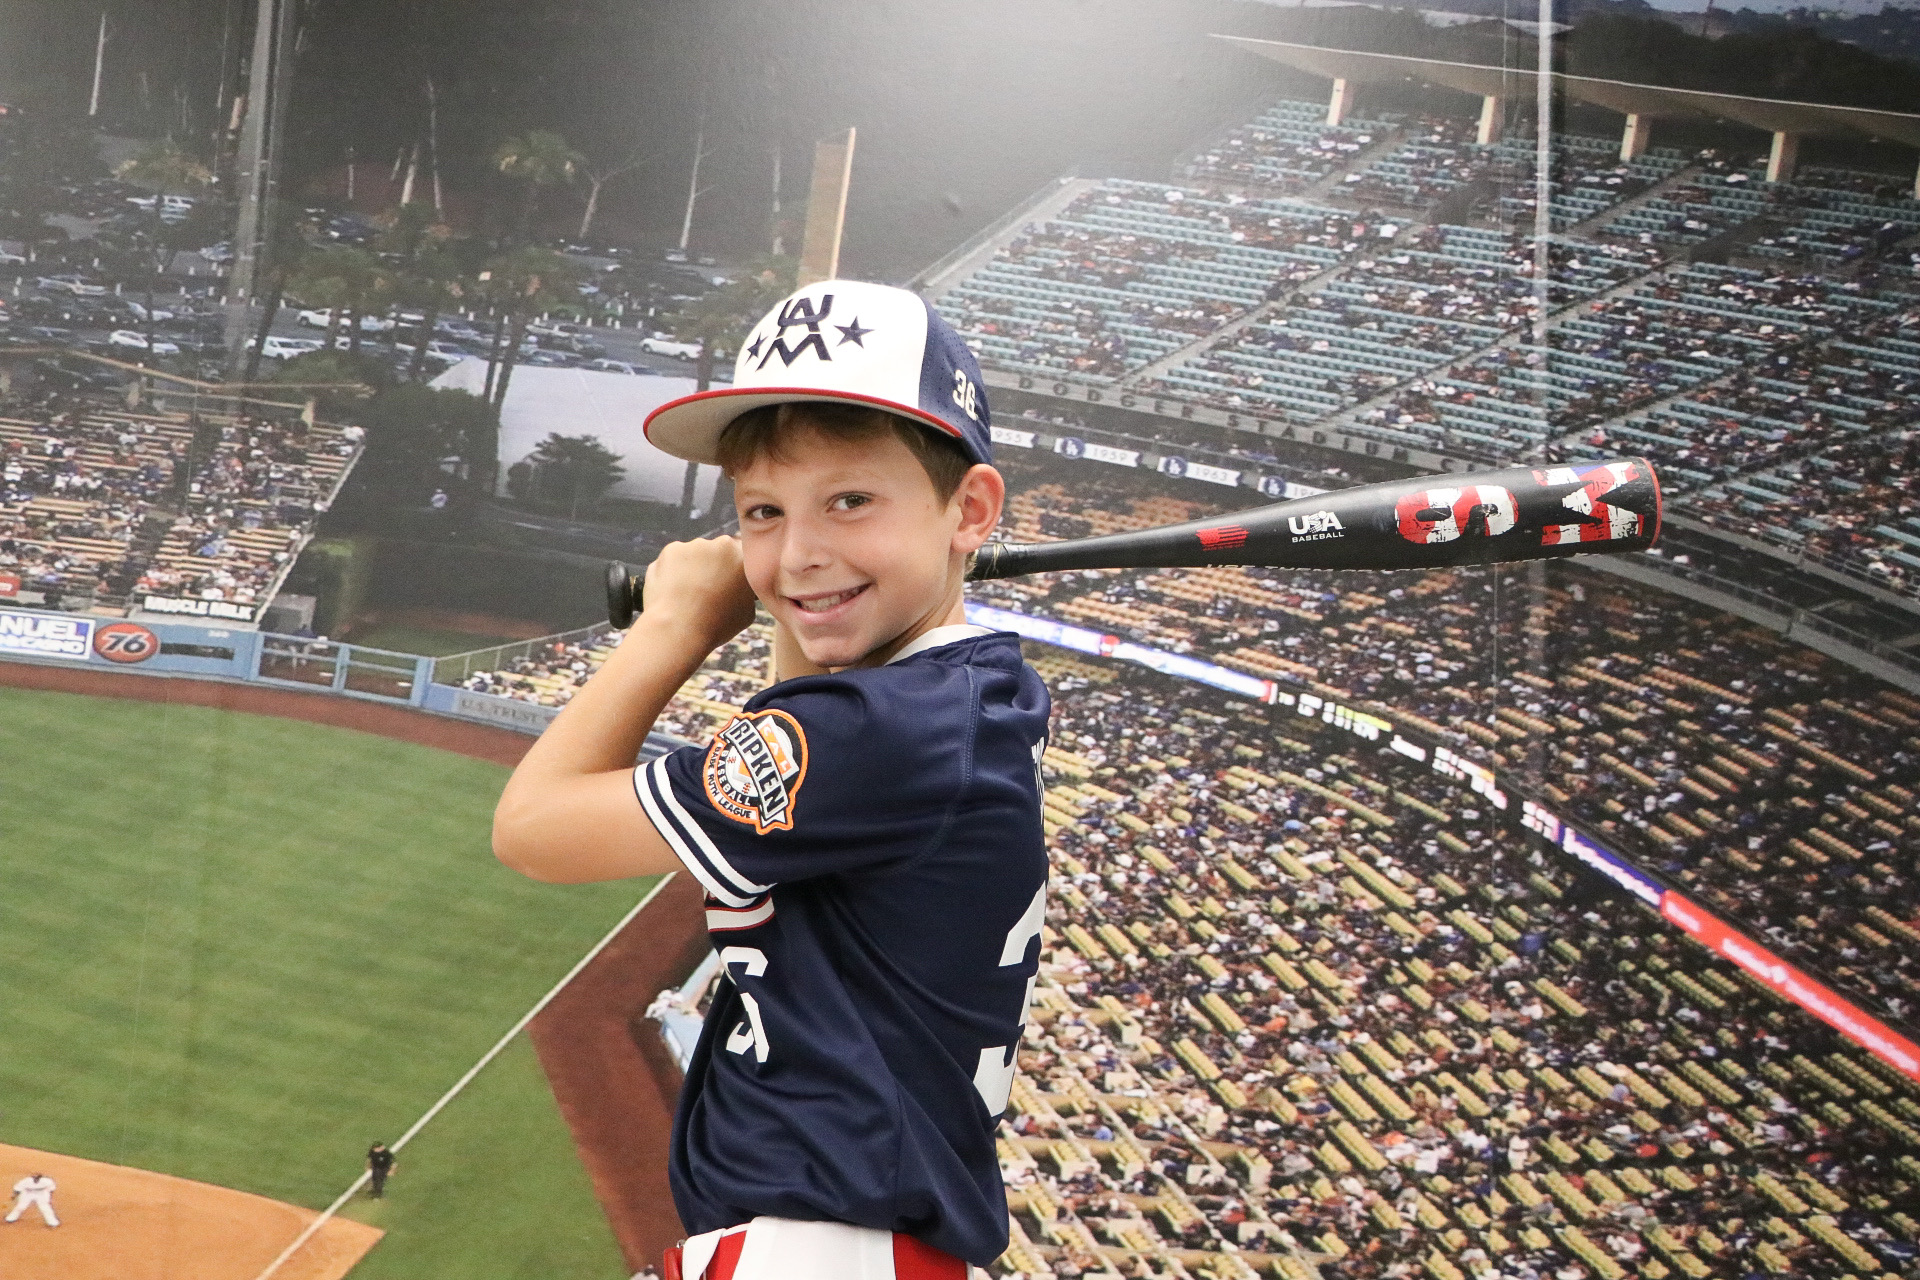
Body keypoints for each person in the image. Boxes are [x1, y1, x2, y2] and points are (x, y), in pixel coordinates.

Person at [494, 280, 1048, 1280]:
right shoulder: (971, 698)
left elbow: (532, 824)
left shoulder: (881, 733)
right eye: (762, 510)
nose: (798, 548)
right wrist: (823, 587)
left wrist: (677, 626)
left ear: (970, 509)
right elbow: (809, 698)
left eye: (850, 499)